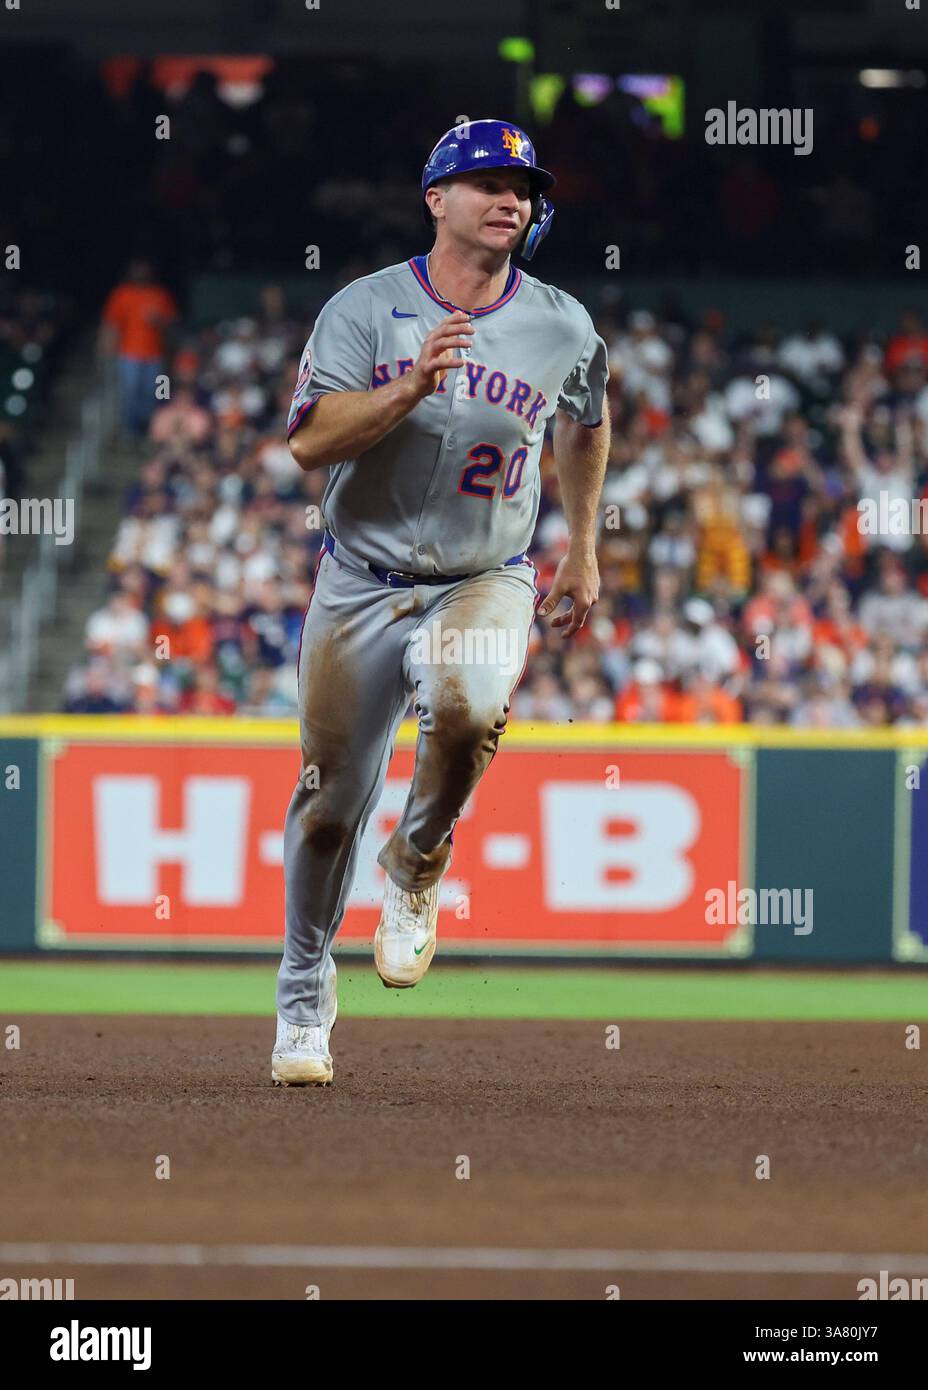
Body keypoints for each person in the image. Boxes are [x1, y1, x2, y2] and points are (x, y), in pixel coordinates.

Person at [272, 119, 610, 1085]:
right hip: (360, 582)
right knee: (327, 806)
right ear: (437, 200)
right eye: (488, 182)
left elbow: (586, 425)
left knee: (465, 710)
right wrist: (408, 389)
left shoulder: (561, 323)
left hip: (483, 574)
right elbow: (309, 443)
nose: (512, 199)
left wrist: (581, 548)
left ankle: (417, 862)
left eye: (524, 187)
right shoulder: (364, 309)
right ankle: (304, 992)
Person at [99, 259, 179, 438]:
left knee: (154, 392)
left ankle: (148, 428)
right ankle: (130, 430)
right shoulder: (122, 294)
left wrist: (160, 321)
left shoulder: (160, 294)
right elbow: (111, 324)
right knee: (130, 391)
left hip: (155, 354)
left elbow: (172, 322)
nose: (141, 274)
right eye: (137, 270)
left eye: (144, 270)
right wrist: (105, 350)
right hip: (129, 354)